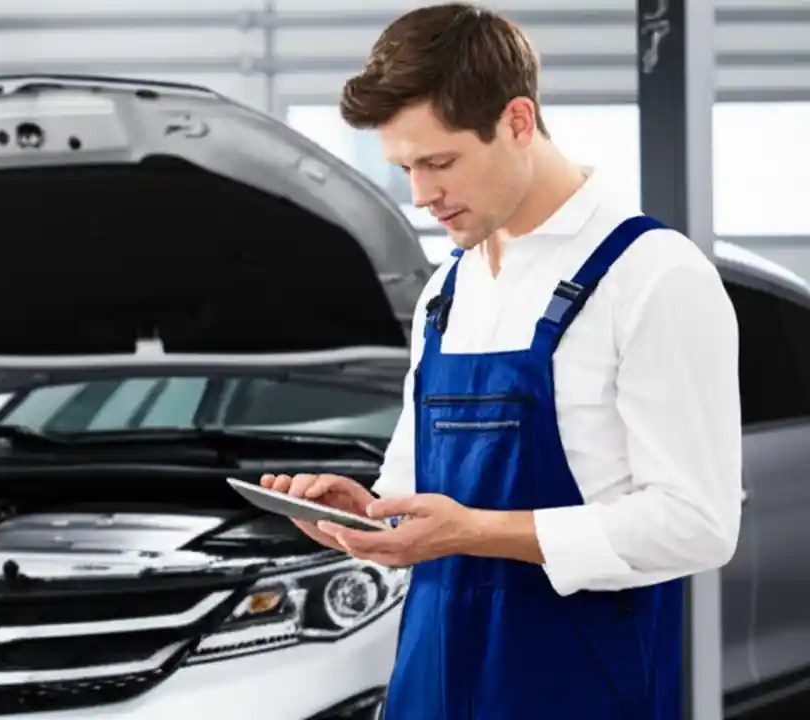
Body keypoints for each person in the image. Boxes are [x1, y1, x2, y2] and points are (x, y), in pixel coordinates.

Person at [260, 3, 743, 719]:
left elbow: (698, 524)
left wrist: (477, 531)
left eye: (440, 162)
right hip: (430, 682)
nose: (421, 195)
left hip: (575, 689)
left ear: (518, 122)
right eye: (405, 167)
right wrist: (365, 518)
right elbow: (414, 494)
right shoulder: (445, 290)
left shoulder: (652, 275)